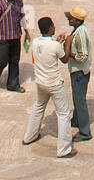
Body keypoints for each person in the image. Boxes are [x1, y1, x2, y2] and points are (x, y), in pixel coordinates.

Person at [22, 18, 75, 158]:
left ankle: (29, 136)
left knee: (38, 107)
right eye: (53, 24)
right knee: (63, 114)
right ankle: (64, 149)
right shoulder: (55, 46)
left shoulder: (35, 42)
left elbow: (49, 49)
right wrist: (67, 43)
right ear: (50, 27)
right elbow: (64, 59)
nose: (54, 26)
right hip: (54, 84)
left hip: (40, 82)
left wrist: (58, 42)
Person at [65, 7, 92, 141]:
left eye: (70, 18)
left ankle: (85, 131)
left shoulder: (80, 34)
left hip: (79, 72)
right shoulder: (80, 30)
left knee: (80, 100)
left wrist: (70, 54)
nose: (68, 20)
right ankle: (76, 120)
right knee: (77, 97)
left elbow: (83, 56)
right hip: (79, 71)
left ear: (77, 21)